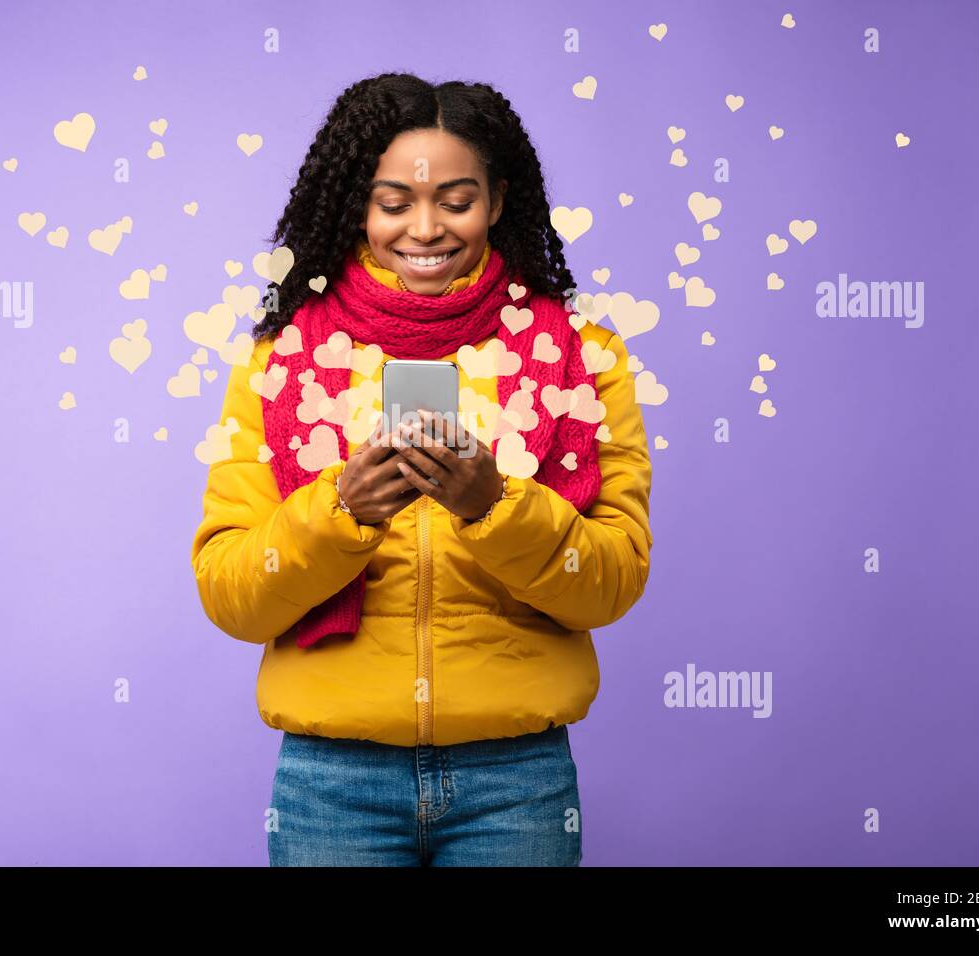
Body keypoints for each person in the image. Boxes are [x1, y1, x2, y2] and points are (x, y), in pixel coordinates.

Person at [191, 73, 653, 866]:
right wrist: (340, 516)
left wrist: (495, 507)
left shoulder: (582, 358)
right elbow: (232, 595)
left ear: (499, 201)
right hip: (332, 781)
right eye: (394, 203)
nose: (426, 229)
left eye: (457, 200)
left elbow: (609, 582)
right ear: (355, 207)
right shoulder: (283, 359)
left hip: (518, 779)